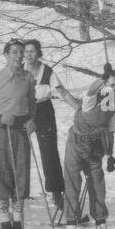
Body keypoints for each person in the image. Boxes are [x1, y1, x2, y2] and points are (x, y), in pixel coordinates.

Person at [56, 65, 115, 229]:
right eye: (112, 85)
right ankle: (71, 228)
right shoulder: (91, 100)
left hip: (96, 147)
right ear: (104, 85)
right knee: (72, 183)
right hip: (76, 145)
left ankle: (101, 227)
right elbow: (91, 90)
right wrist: (102, 79)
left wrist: (110, 154)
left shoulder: (112, 106)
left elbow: (110, 130)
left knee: (98, 184)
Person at [0, 39, 36, 229]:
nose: (19, 56)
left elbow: (32, 103)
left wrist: (32, 120)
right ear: (6, 54)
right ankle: (4, 220)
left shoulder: (28, 77)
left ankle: (18, 220)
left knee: (21, 171)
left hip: (20, 129)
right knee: (2, 171)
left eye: (21, 52)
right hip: (1, 129)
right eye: (14, 52)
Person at [23, 39, 65, 213]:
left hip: (43, 110)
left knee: (49, 152)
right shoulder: (19, 70)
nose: (28, 54)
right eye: (26, 51)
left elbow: (62, 92)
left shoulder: (47, 71)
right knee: (20, 150)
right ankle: (19, 191)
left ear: (38, 53)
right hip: (23, 110)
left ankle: (56, 192)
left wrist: (78, 107)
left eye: (32, 51)